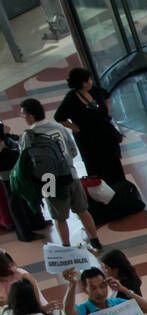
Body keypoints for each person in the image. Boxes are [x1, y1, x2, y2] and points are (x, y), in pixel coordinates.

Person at [16, 98, 103, 251]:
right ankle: (95, 240)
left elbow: (25, 161)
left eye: (23, 114)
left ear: (30, 116)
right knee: (82, 210)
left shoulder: (28, 135)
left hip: (49, 181)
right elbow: (74, 151)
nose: (22, 117)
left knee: (59, 217)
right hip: (71, 174)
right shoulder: (58, 127)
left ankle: (66, 247)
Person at [53, 67, 125, 187]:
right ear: (83, 83)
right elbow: (59, 117)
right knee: (97, 169)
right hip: (88, 141)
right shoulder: (71, 99)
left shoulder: (95, 91)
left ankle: (122, 189)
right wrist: (74, 128)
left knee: (114, 164)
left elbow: (106, 95)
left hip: (106, 136)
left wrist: (107, 111)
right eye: (88, 80)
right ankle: (104, 193)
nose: (91, 82)